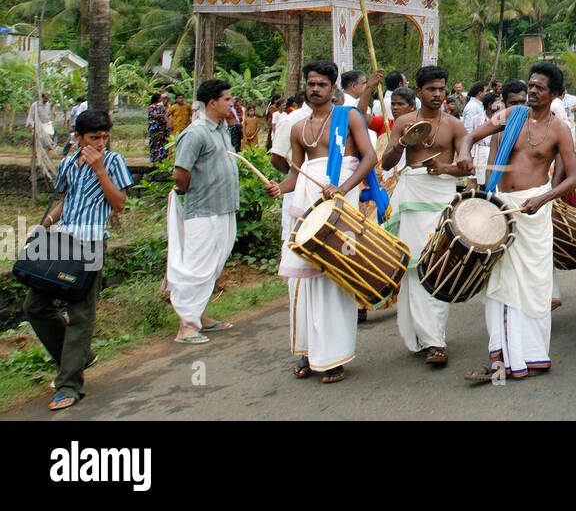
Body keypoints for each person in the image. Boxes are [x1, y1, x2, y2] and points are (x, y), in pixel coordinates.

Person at [458, 62, 576, 382]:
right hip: (501, 208)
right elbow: (471, 135)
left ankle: (531, 355)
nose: (533, 91)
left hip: (534, 212)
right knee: (499, 283)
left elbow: (574, 177)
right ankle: (500, 355)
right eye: (531, 85)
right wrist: (465, 151)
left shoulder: (559, 129)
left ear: (555, 94)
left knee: (533, 285)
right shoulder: (512, 116)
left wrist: (542, 199)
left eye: (540, 87)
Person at [273, 60, 380, 384]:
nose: (315, 89)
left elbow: (370, 158)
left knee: (335, 280)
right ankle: (308, 352)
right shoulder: (297, 127)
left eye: (321, 84)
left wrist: (343, 189)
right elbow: (296, 174)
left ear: (334, 87)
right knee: (303, 284)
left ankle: (332, 358)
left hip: (339, 205)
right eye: (311, 84)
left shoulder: (349, 117)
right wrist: (279, 187)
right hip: (307, 206)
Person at [24, 108, 130, 411]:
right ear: (78, 137)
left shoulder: (113, 162)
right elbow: (67, 200)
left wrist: (99, 171)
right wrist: (44, 224)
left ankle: (69, 383)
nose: (100, 143)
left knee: (81, 314)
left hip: (91, 242)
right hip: (61, 241)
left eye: (104, 137)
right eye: (94, 137)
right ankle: (78, 358)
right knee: (34, 306)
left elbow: (119, 204)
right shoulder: (69, 163)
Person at [170, 80, 272, 345]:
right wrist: (189, 190)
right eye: (227, 99)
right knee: (198, 266)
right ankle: (186, 325)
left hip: (224, 208)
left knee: (214, 264)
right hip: (203, 211)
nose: (231, 103)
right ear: (212, 103)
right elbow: (180, 172)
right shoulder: (196, 132)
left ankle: (200, 316)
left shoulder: (223, 129)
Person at [381, 66, 469, 367]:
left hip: (442, 198)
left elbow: (465, 164)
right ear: (419, 92)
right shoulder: (404, 121)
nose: (437, 94)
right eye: (431, 89)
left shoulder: (455, 125)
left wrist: (449, 168)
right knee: (414, 265)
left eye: (441, 89)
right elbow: (387, 161)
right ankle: (423, 337)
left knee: (439, 264)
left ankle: (435, 339)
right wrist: (403, 142)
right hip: (413, 196)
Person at [460, 81, 489, 188]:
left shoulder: (479, 105)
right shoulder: (472, 107)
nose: (487, 93)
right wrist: (469, 152)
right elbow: (468, 130)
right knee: (473, 179)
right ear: (479, 93)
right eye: (486, 91)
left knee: (480, 178)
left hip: (480, 147)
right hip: (475, 148)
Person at [147, 93, 171, 164]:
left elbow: (165, 114)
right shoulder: (151, 107)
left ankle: (160, 158)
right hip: (154, 128)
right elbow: (154, 115)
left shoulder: (161, 106)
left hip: (162, 127)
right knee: (154, 143)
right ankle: (153, 159)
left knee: (161, 143)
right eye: (160, 98)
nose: (161, 99)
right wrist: (162, 115)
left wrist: (167, 122)